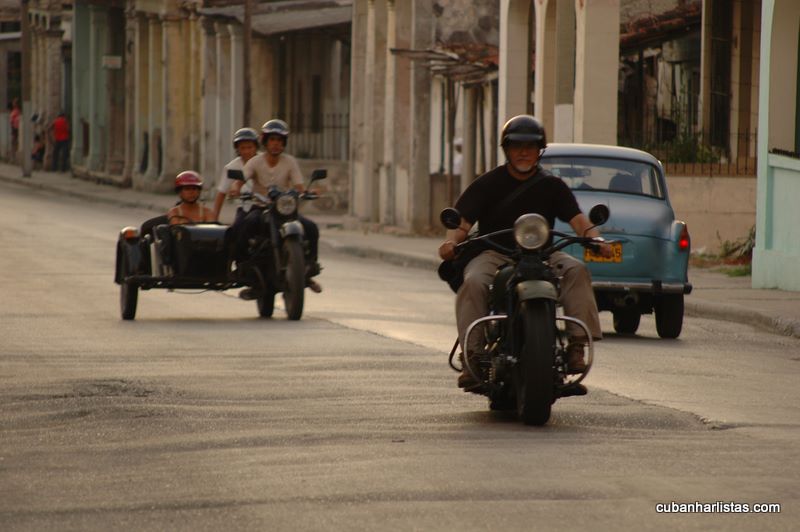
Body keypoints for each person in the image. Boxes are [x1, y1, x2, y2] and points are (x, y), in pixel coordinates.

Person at [437, 115, 612, 390]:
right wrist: (450, 243)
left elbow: (578, 220)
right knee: (473, 281)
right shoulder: (488, 183)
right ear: (506, 149)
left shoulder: (552, 185)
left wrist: (596, 238)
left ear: (539, 150)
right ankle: (473, 354)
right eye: (516, 146)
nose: (523, 152)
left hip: (543, 253)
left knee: (577, 269)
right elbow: (462, 222)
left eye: (530, 146)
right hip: (495, 252)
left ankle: (577, 346)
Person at [232, 118, 322, 294]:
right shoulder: (255, 162)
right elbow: (240, 179)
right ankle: (244, 267)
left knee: (311, 228)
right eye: (272, 140)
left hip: (284, 209)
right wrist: (236, 189)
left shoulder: (290, 161)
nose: (275, 145)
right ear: (265, 142)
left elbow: (298, 185)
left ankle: (308, 268)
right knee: (245, 225)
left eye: (279, 141)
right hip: (261, 206)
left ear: (284, 144)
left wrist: (306, 192)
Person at [212, 127, 260, 222]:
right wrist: (214, 219)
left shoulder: (264, 161)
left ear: (256, 147)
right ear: (237, 149)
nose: (246, 151)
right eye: (242, 148)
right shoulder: (231, 167)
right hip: (246, 208)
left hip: (268, 206)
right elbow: (221, 193)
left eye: (249, 147)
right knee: (238, 228)